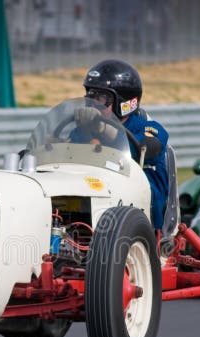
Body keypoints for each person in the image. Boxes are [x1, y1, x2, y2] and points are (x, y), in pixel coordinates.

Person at [75, 59, 170, 231]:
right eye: (91, 97)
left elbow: (148, 145)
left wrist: (104, 129)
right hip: (93, 195)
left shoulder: (147, 127)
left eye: (101, 98)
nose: (94, 104)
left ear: (124, 102)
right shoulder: (84, 130)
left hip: (139, 212)